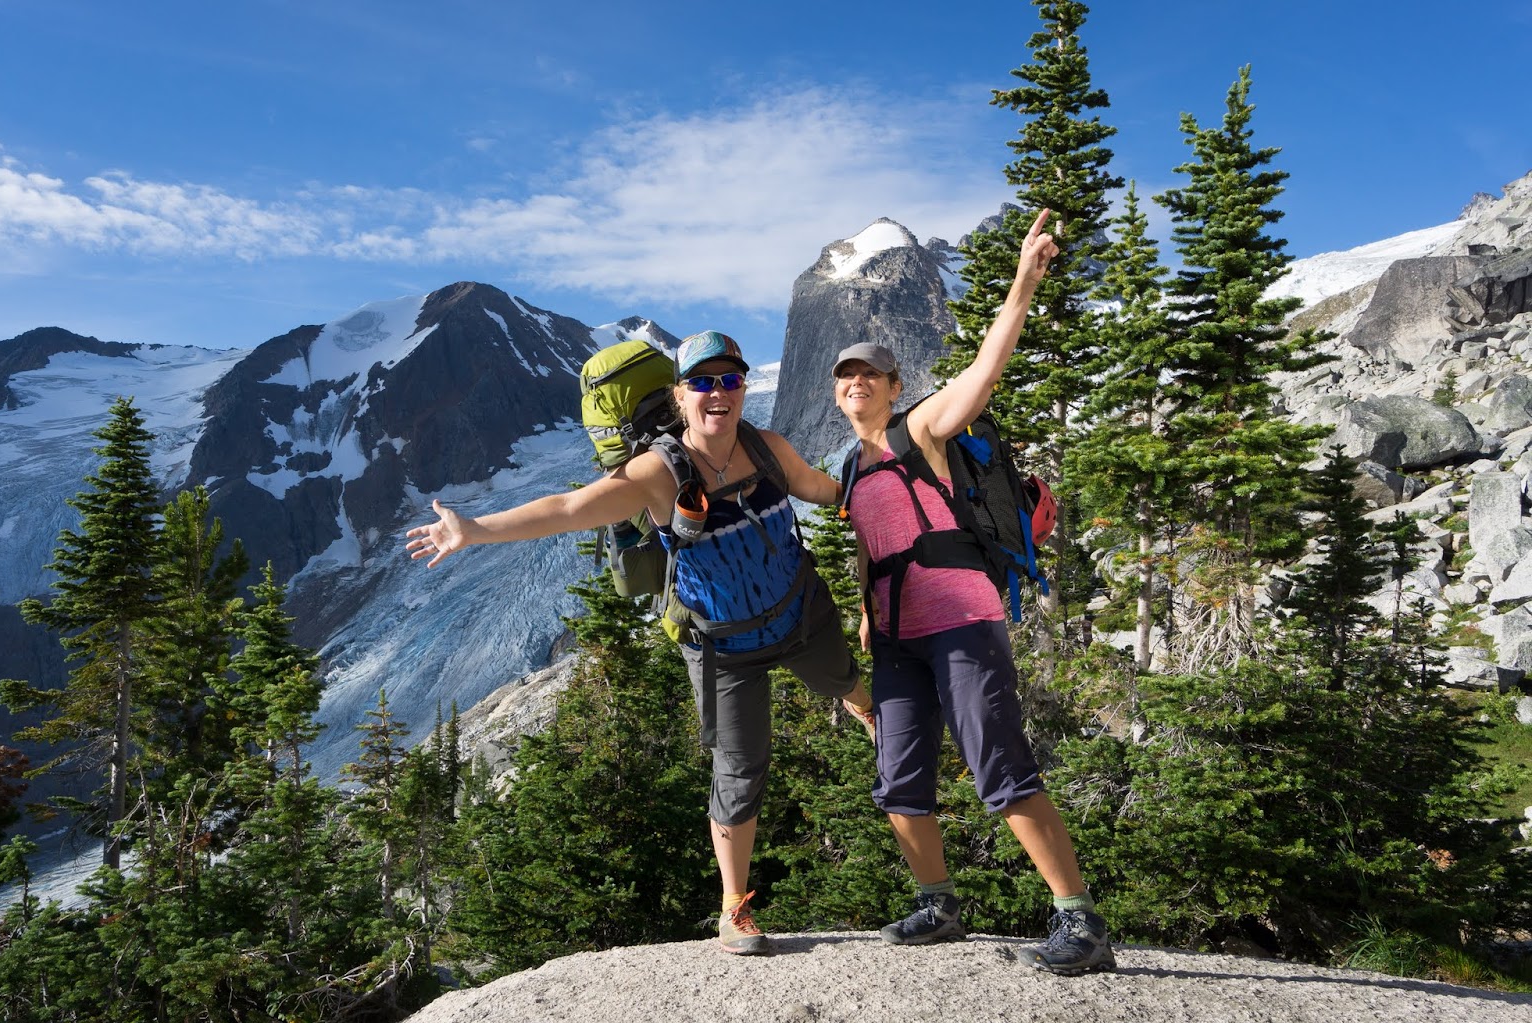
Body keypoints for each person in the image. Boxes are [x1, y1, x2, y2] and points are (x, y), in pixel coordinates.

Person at [407, 330, 874, 957]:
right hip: (723, 648)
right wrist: (473, 529)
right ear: (679, 394)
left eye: (730, 380)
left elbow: (824, 490)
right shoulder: (658, 471)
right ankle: (734, 907)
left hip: (798, 614)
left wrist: (892, 488)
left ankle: (864, 707)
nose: (719, 393)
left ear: (741, 389)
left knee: (844, 677)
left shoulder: (768, 449)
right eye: (703, 382)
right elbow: (571, 507)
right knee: (739, 771)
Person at [833, 209, 1115, 976]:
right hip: (894, 637)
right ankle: (939, 903)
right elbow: (870, 547)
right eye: (845, 377)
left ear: (894, 386)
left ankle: (1080, 920)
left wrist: (1023, 283)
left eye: (870, 374)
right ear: (838, 397)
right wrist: (864, 617)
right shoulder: (854, 473)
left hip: (960, 620)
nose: (856, 383)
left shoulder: (922, 428)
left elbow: (985, 369)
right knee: (897, 779)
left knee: (999, 762)